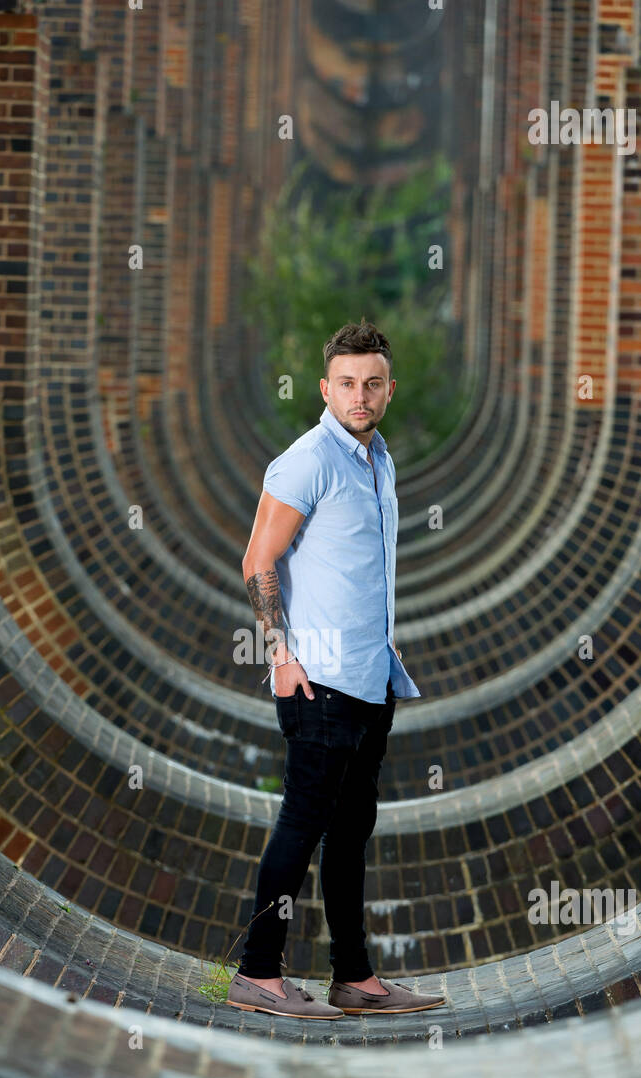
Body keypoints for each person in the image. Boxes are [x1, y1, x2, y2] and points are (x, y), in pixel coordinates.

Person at [227, 319, 446, 1020]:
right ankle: (258, 973)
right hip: (315, 680)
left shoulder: (377, 459)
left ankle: (354, 978)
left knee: (351, 831)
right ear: (325, 388)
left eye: (372, 384)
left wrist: (385, 645)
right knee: (301, 824)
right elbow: (257, 562)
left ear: (387, 390)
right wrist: (280, 657)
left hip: (371, 677)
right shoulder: (306, 461)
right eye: (347, 384)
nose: (360, 395)